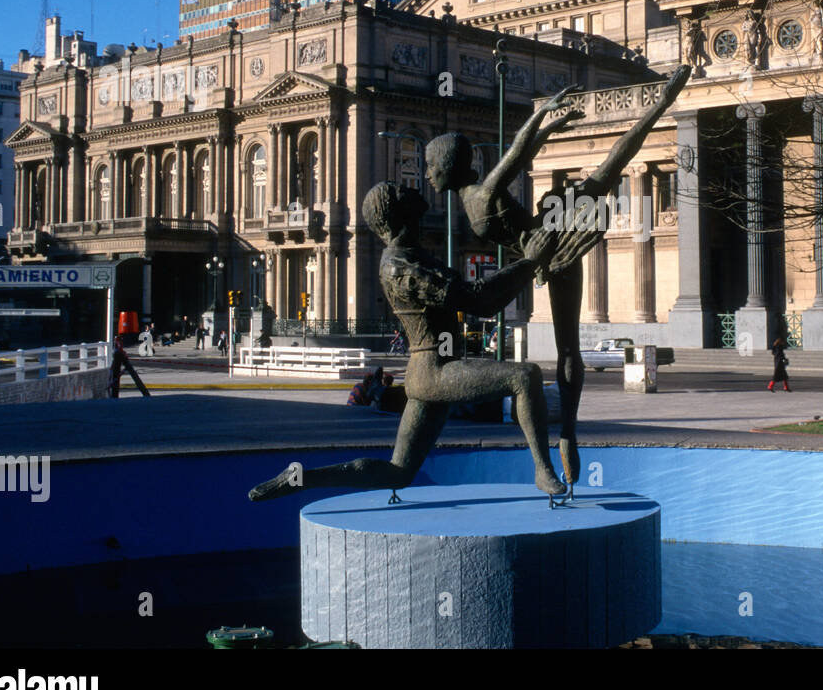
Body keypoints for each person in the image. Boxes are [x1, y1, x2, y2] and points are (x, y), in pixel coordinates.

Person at [425, 63, 692, 488]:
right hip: (548, 248)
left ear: (448, 166)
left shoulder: (479, 198)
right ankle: (568, 431)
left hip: (547, 240)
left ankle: (567, 434)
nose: (426, 174)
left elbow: (517, 150)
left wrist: (545, 116)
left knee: (609, 168)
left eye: (430, 166)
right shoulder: (476, 196)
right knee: (608, 170)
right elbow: (521, 150)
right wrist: (548, 121)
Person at [250, 182, 586, 502]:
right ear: (395, 214)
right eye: (401, 191)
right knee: (524, 376)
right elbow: (479, 301)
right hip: (437, 371)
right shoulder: (402, 266)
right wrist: (529, 262)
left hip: (429, 371)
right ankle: (543, 470)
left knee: (398, 473)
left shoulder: (411, 256)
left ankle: (301, 478)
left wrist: (527, 266)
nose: (413, 188)